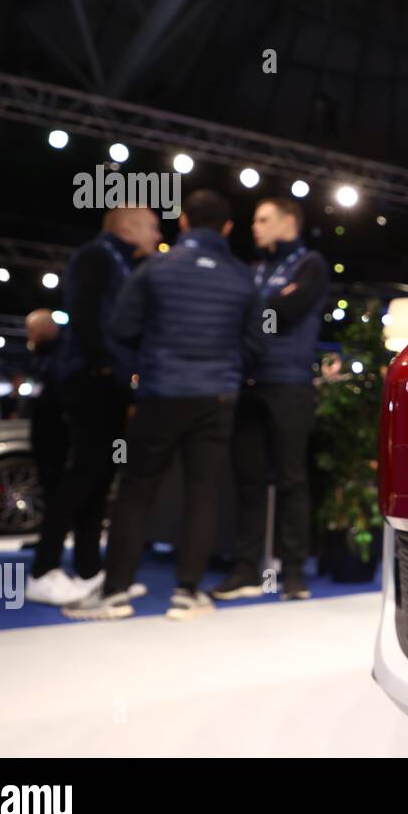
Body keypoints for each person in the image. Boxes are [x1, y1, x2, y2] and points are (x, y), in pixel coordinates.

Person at [65, 190, 265, 621]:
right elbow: (255, 342)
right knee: (203, 493)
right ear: (228, 228)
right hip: (217, 396)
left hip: (161, 391)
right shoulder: (242, 277)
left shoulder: (156, 267)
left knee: (136, 491)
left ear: (185, 223)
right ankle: (188, 593)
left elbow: (121, 328)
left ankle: (115, 592)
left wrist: (150, 361)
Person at [28, 207, 160, 605]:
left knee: (99, 477)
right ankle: (42, 569)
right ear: (127, 226)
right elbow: (84, 313)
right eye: (152, 226)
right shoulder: (97, 256)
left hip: (108, 378)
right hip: (91, 378)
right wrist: (103, 365)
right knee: (84, 472)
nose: (157, 234)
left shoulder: (120, 263)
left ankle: (88, 570)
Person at [212, 197, 328, 602]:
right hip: (248, 384)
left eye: (263, 219)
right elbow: (251, 315)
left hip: (290, 384)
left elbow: (286, 313)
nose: (255, 227)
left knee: (293, 479)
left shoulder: (310, 264)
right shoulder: (255, 268)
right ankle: (246, 569)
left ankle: (293, 572)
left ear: (288, 221)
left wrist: (255, 310)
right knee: (248, 480)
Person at [25, 309, 69, 517]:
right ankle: (49, 533)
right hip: (43, 425)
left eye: (31, 330)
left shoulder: (61, 355)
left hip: (57, 427)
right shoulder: (40, 355)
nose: (28, 335)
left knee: (55, 480)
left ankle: (53, 534)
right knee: (47, 479)